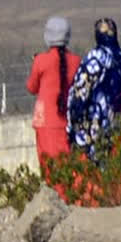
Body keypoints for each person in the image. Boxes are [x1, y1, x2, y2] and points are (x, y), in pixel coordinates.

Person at [66, 17, 121, 161]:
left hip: (97, 118)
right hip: (120, 119)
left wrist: (74, 114)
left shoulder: (96, 56)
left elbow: (82, 87)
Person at [26, 16, 81, 173]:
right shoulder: (76, 61)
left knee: (49, 168)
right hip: (68, 121)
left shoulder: (41, 61)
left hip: (44, 122)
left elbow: (31, 87)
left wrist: (36, 64)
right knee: (68, 168)